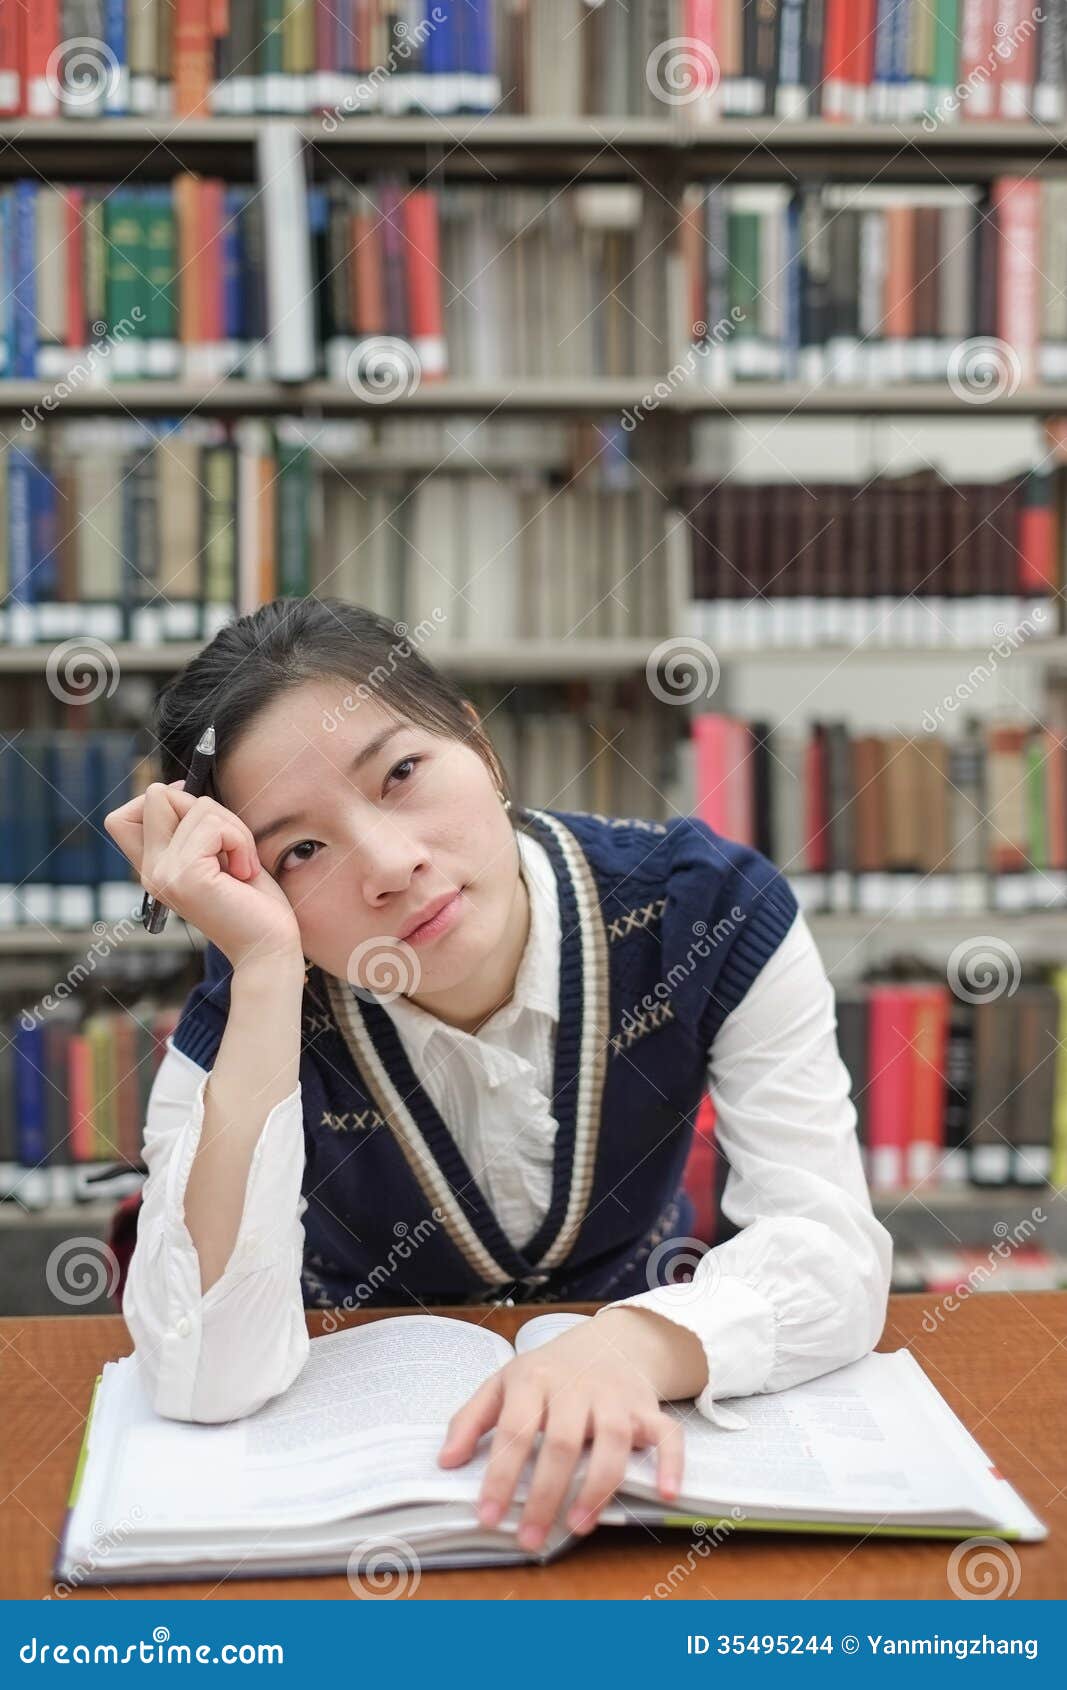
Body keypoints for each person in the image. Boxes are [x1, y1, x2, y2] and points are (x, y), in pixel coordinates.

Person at [104, 595, 892, 1555]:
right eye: (299, 849)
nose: (391, 867)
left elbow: (831, 1250)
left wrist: (629, 1348)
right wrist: (266, 974)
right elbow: (201, 1374)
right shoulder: (253, 1002)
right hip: (383, 1489)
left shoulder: (708, 911)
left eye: (401, 773)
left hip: (649, 1449)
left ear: (478, 745)